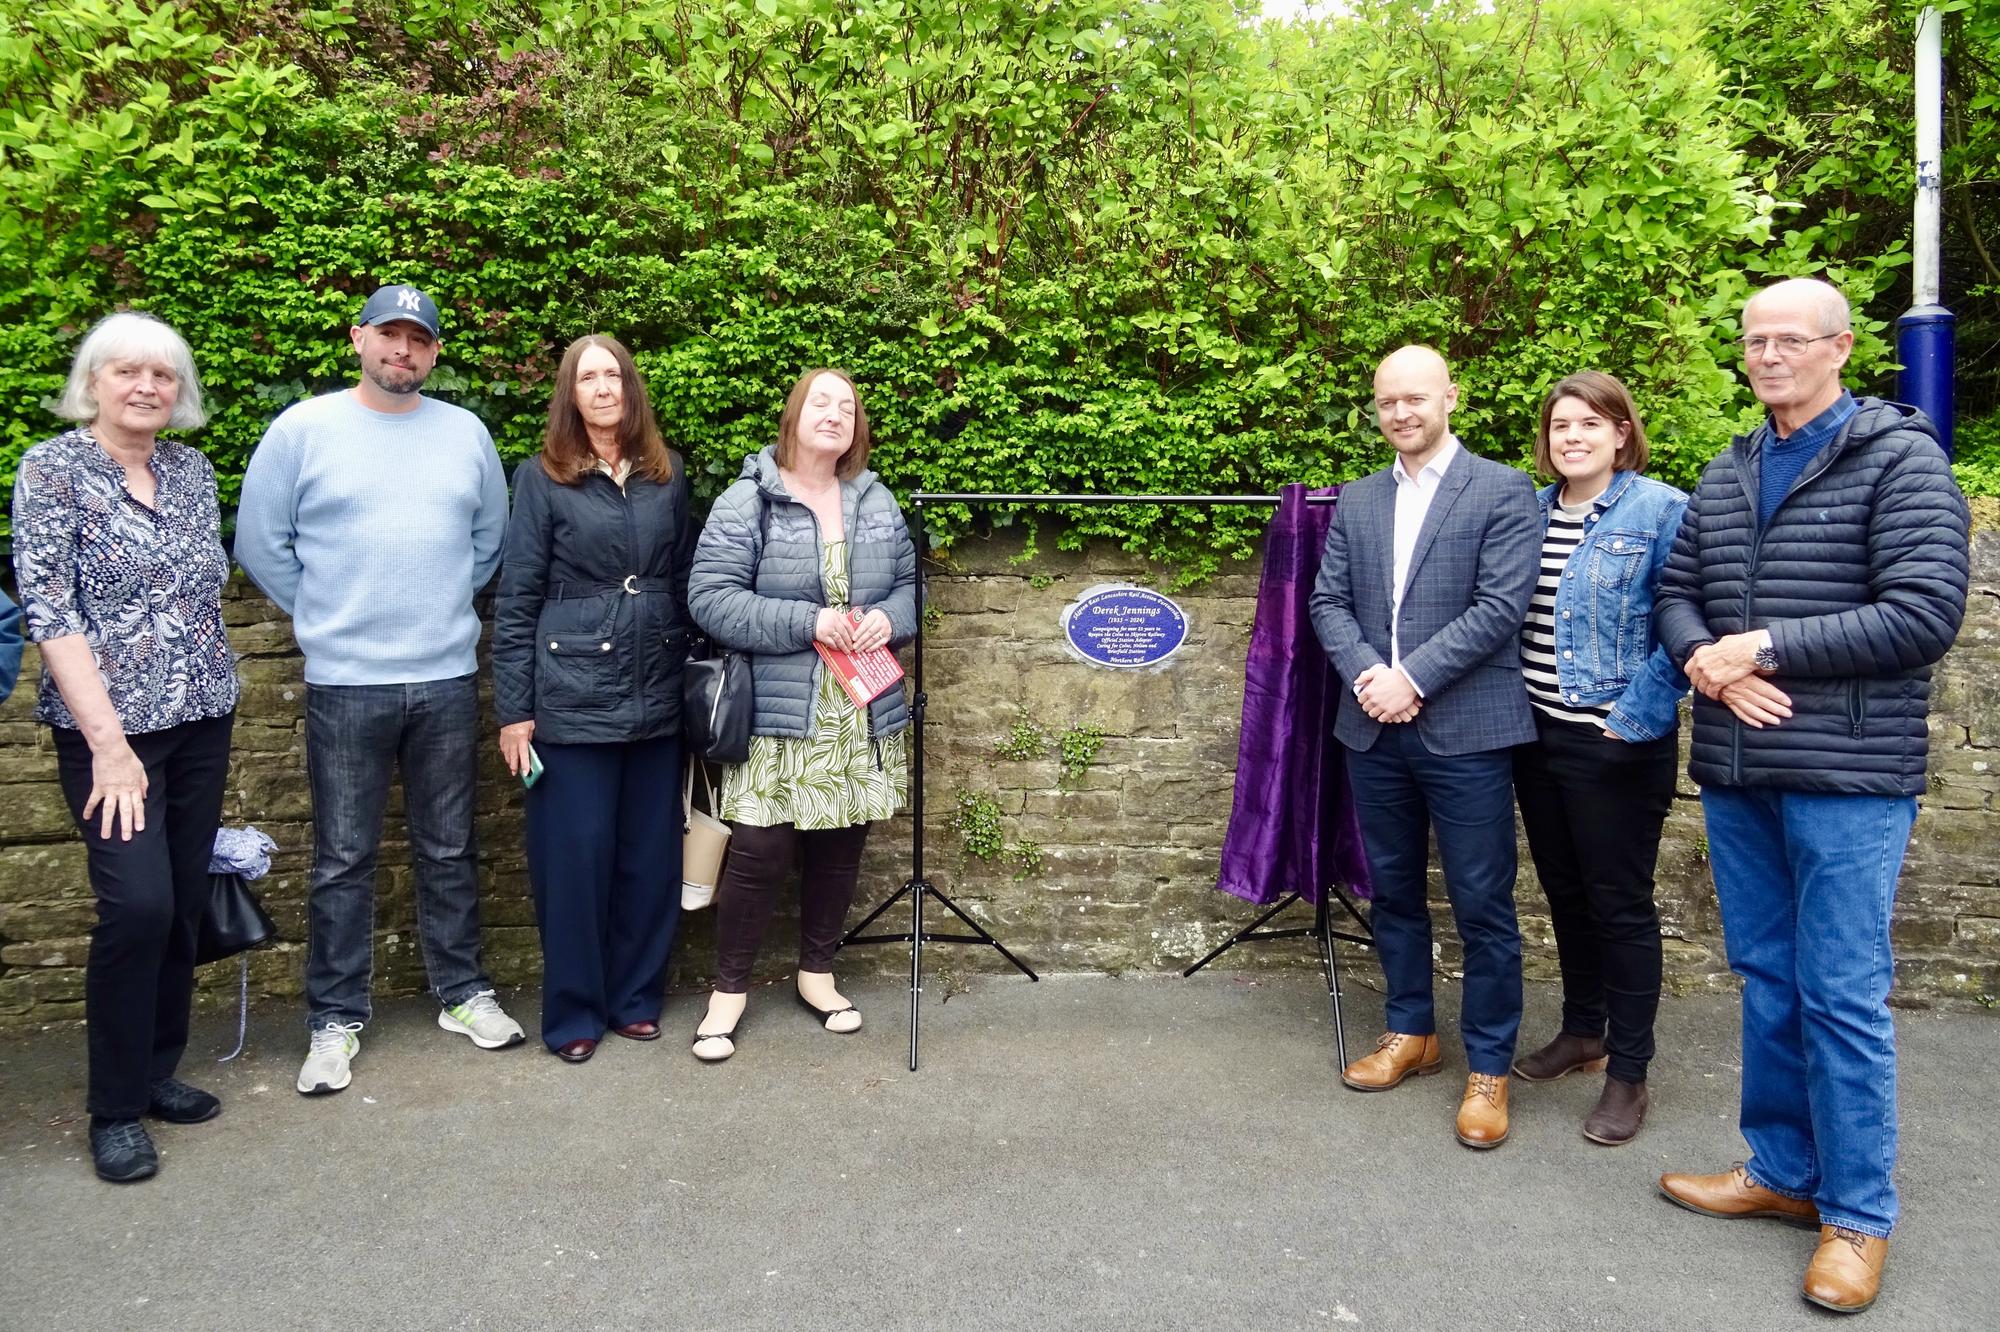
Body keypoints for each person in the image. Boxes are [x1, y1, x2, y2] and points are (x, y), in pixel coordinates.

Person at [1652, 278, 1970, 1315]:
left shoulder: (1901, 459)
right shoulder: (1731, 465)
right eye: (1754, 340)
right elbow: (1675, 592)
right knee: (1768, 978)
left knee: (1839, 991)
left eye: (1789, 338)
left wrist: (1764, 647)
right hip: (1740, 766)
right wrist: (1706, 663)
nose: (1768, 355)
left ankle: (1857, 1216)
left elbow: (1922, 613)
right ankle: (1783, 1173)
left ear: (1840, 348)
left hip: (1848, 776)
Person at [235, 283, 525, 1097]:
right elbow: (260, 541)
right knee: (342, 859)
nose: (403, 350)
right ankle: (333, 1019)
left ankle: (463, 994)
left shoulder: (465, 434)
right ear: (357, 338)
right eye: (389, 335)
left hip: (444, 676)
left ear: (434, 353)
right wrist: (325, 614)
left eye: (419, 340)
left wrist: (438, 606)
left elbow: (488, 542)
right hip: (345, 681)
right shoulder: (302, 430)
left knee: (449, 847)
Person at [11, 312, 238, 1182]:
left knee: (180, 902)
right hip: (109, 736)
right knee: (137, 906)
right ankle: (112, 1108)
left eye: (162, 375)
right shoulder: (52, 470)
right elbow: (51, 612)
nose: (146, 386)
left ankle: (154, 1072)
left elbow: (201, 590)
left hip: (201, 718)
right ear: (93, 382)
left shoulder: (190, 471)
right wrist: (108, 745)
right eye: (126, 371)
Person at [1308, 345, 1540, 1149]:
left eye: (1415, 398)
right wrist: (1372, 677)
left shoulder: (1503, 489)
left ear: (1451, 397)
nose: (1401, 413)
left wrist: (1412, 679)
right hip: (1373, 727)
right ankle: (1411, 1031)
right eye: (1387, 402)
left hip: (1467, 731)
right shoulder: (1361, 498)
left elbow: (1500, 607)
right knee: (1395, 890)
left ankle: (1489, 1068)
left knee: (1482, 903)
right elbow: (1328, 602)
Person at [684, 368, 917, 1062]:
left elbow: (911, 587)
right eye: (822, 401)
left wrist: (889, 619)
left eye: (847, 406)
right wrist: (808, 621)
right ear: (795, 413)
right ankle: (729, 990)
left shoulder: (875, 500)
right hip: (779, 711)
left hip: (859, 709)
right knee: (759, 853)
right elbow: (710, 599)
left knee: (841, 850)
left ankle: (817, 974)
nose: (835, 414)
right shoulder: (749, 499)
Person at [491, 335, 696, 1063]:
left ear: (630, 388)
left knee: (649, 861)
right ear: (570, 394)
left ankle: (635, 999)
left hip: (657, 692)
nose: (603, 388)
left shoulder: (667, 473)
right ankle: (574, 1012)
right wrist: (515, 713)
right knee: (573, 864)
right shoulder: (541, 477)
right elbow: (517, 598)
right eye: (588, 378)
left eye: (613, 375)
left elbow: (686, 577)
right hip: (570, 699)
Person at [1508, 372, 1689, 1147]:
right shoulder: (1530, 512)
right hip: (1534, 736)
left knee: (1619, 904)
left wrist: (1634, 716)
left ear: (1621, 433)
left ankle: (1629, 1071)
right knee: (1565, 892)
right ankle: (1585, 1030)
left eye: (1589, 423)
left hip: (1613, 740)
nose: (1572, 437)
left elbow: (1690, 620)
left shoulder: (1660, 510)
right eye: (1560, 426)